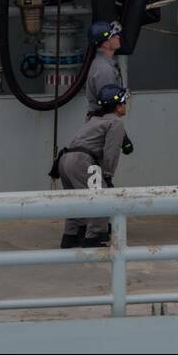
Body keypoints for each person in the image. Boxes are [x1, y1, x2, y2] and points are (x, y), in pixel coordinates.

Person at [55, 84, 130, 248]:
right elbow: (111, 152)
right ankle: (94, 237)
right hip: (82, 161)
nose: (126, 105)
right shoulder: (116, 123)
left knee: (76, 199)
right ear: (117, 105)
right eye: (124, 102)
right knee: (99, 197)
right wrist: (108, 175)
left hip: (64, 160)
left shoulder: (95, 119)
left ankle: (71, 235)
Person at [86, 20, 123, 118]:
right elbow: (108, 106)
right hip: (103, 123)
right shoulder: (104, 69)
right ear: (105, 44)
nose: (118, 36)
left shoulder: (103, 63)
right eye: (114, 36)